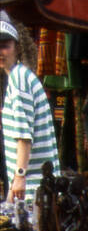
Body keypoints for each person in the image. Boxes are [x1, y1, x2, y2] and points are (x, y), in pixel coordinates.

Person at [0, 14, 60, 205]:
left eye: (5, 45)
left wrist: (19, 176)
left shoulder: (19, 81)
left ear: (17, 48)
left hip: (33, 189)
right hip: (38, 187)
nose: (0, 52)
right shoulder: (22, 76)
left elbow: (24, 136)